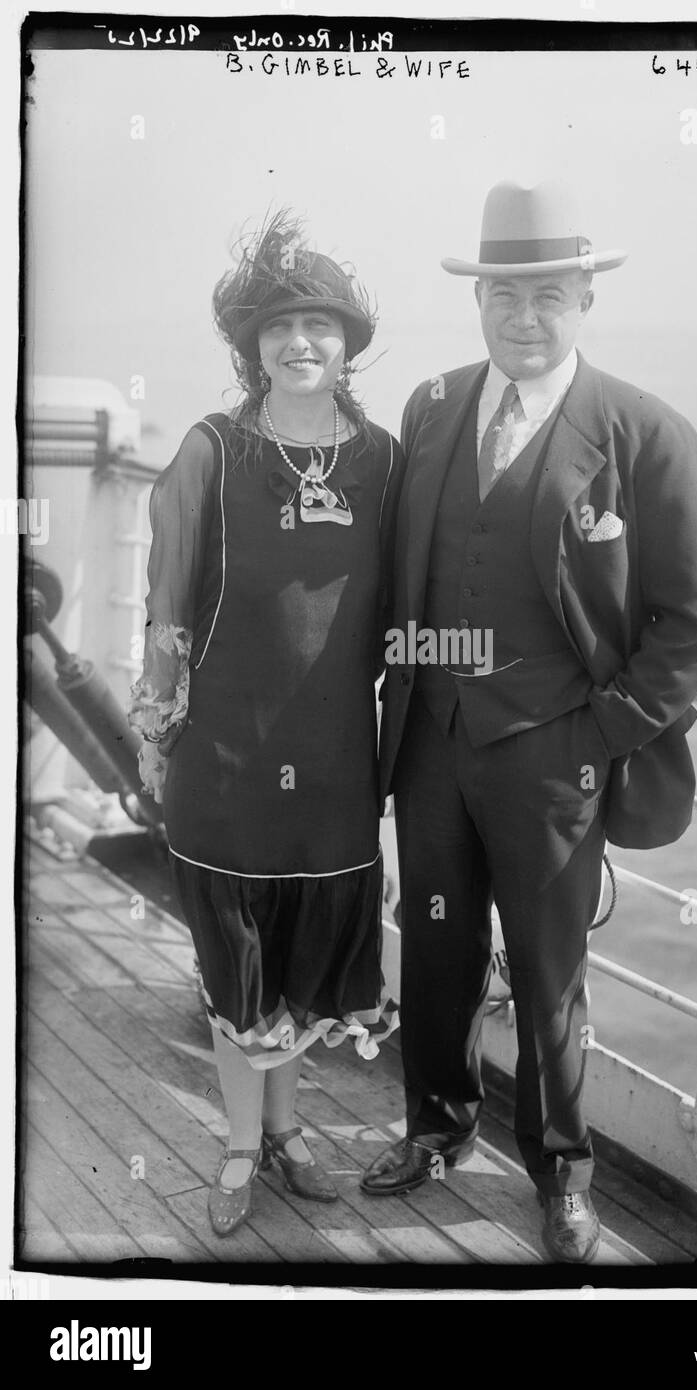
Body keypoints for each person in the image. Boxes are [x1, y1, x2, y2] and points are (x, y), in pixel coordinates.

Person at [361, 181, 697, 1263]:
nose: (523, 318)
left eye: (547, 297)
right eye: (503, 298)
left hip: (555, 759)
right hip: (431, 743)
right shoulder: (433, 408)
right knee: (433, 947)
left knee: (548, 973)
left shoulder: (644, 433)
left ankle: (563, 1174)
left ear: (585, 300)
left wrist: (603, 731)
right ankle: (435, 1125)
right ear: (478, 302)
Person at [129, 211, 402, 1237]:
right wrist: (156, 733)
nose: (300, 342)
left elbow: (406, 610)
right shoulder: (211, 450)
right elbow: (166, 608)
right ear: (250, 346)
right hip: (228, 764)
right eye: (279, 326)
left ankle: (286, 1134)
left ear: (347, 344)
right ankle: (244, 1146)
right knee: (237, 968)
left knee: (302, 967)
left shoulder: (384, 458)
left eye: (320, 326)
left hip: (333, 767)